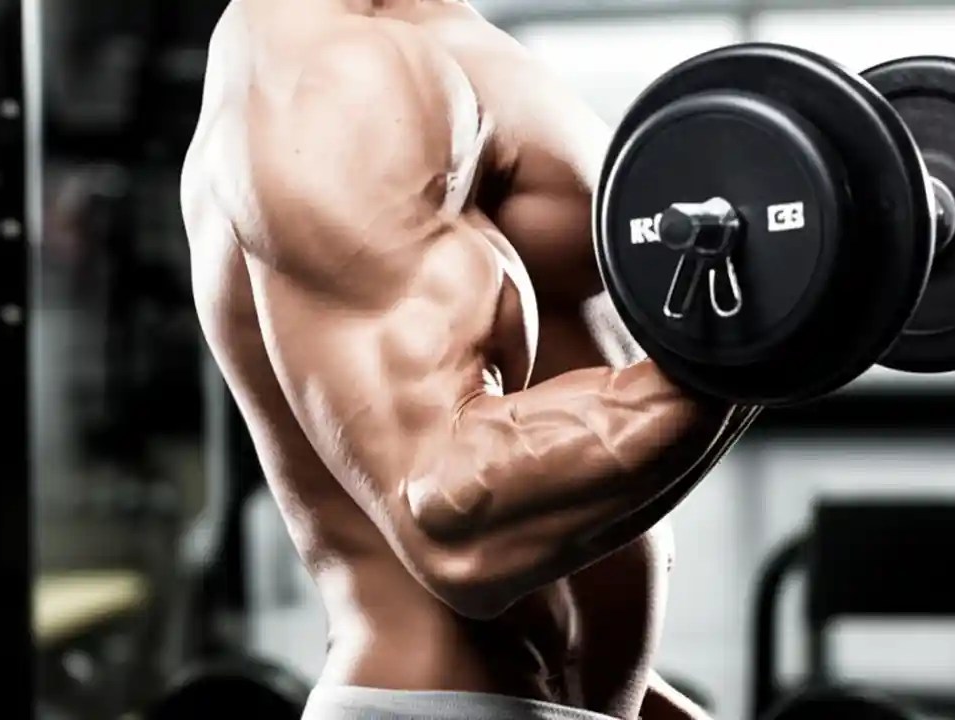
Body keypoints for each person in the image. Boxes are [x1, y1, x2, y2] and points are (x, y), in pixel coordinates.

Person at [180, 1, 757, 718]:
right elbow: (451, 518)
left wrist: (635, 700)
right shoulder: (334, 65)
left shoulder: (452, 38)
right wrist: (762, 340)